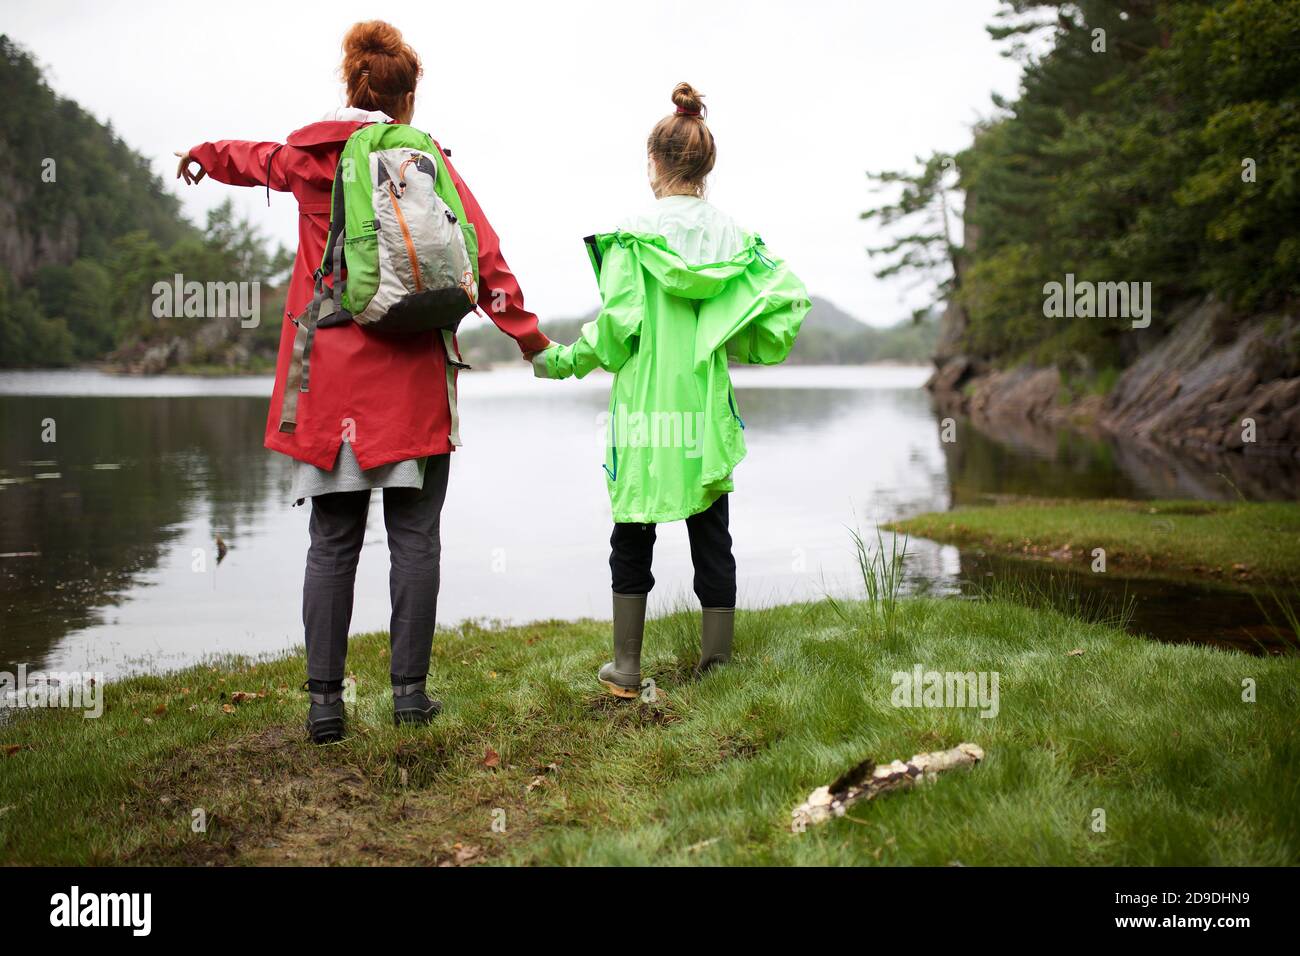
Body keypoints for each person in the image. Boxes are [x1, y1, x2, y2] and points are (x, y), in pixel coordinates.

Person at [175, 20, 548, 741]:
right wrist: (529, 339)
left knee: (332, 541)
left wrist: (199, 154)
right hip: (411, 381)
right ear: (407, 97)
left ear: (350, 85)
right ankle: (409, 697)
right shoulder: (427, 159)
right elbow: (488, 260)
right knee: (416, 537)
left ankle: (324, 707)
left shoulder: (307, 158)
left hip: (331, 383)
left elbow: (250, 158)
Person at [531, 83, 809, 698]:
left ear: (654, 163)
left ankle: (626, 670)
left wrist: (561, 361)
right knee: (713, 533)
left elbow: (618, 331)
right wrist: (726, 336)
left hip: (645, 411)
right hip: (704, 406)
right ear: (706, 169)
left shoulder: (631, 236)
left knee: (633, 531)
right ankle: (717, 668)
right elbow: (784, 307)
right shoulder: (735, 239)